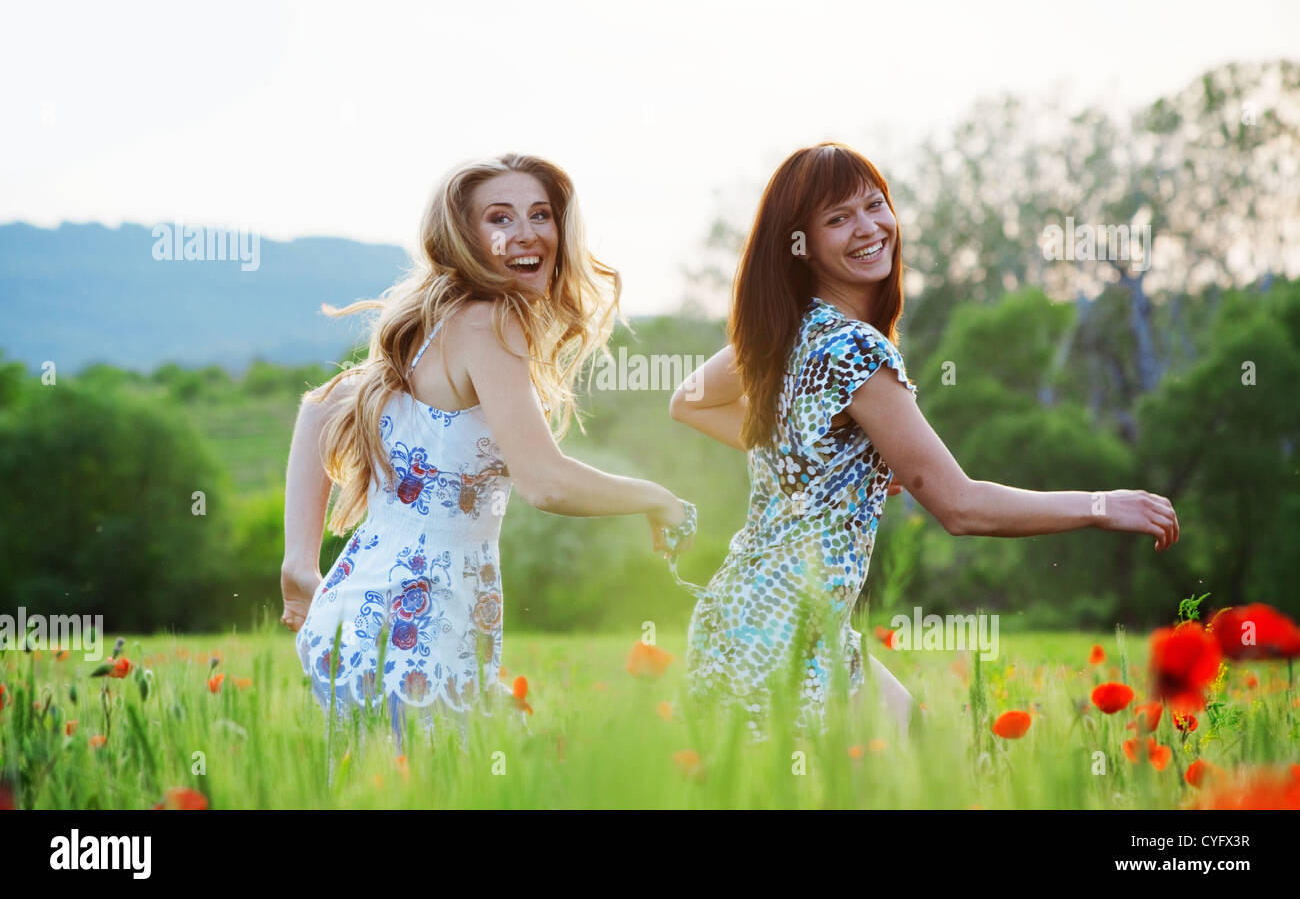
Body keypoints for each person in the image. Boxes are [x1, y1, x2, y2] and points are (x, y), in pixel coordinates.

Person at [669, 142, 1179, 741]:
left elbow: (689, 401)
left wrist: (834, 469)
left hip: (753, 617)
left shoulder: (790, 326)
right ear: (800, 245)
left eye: (873, 205)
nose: (868, 228)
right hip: (781, 635)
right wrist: (1099, 505)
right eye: (837, 219)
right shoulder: (855, 350)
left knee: (923, 755)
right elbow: (959, 506)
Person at [279, 153, 693, 746]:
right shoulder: (488, 322)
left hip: (356, 618)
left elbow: (318, 406)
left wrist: (300, 560)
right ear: (463, 237)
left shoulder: (432, 323)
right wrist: (656, 497)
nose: (526, 233)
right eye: (500, 218)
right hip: (412, 630)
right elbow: (544, 481)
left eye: (541, 214)